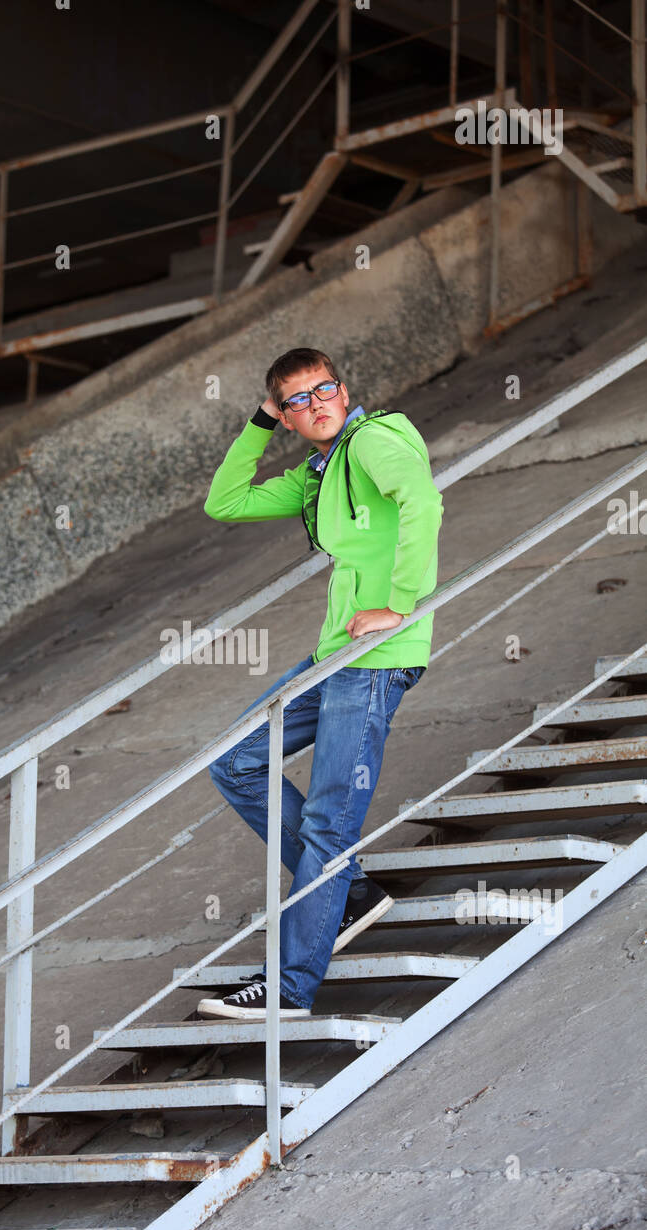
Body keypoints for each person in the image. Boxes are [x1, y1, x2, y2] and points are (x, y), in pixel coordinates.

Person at [198, 347, 443, 1020]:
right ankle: (356, 896)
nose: (316, 405)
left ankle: (290, 984)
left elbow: (421, 499)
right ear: (285, 415)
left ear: (344, 387)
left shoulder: (371, 441)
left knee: (330, 819)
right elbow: (225, 502)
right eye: (296, 401)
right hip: (334, 657)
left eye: (324, 389)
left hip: (373, 657)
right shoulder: (320, 471)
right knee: (238, 762)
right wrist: (258, 420)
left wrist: (401, 603)